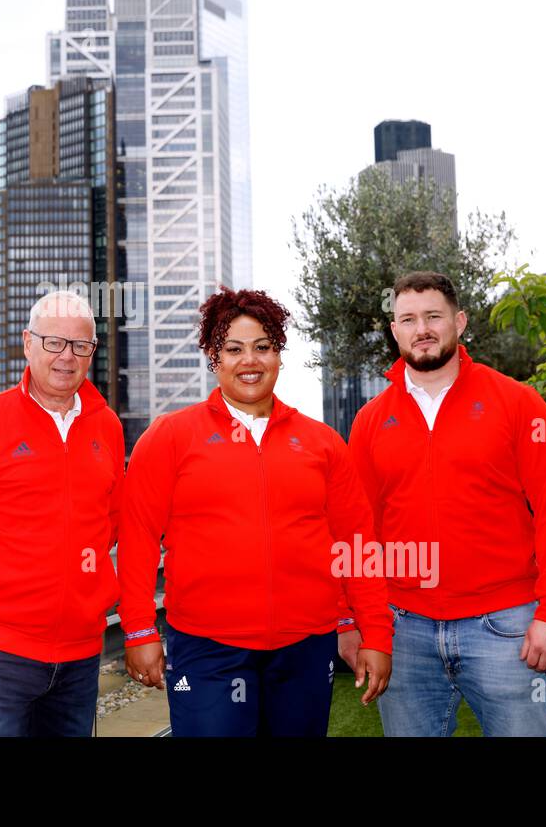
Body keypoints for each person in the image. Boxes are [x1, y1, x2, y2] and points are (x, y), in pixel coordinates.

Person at [117, 287, 391, 737]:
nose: (250, 361)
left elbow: (356, 544)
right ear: (213, 356)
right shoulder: (170, 436)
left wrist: (375, 633)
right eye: (234, 349)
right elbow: (138, 541)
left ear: (279, 354)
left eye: (262, 347)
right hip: (206, 650)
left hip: (304, 648)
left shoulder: (322, 443)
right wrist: (139, 632)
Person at [344, 271, 546, 736]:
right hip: (403, 629)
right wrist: (352, 619)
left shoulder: (519, 404)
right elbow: (357, 529)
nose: (422, 328)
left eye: (433, 316)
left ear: (459, 321)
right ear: (395, 331)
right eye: (408, 319)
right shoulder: (370, 421)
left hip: (507, 625)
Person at [0, 291, 124, 736]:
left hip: (82, 653)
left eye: (80, 346)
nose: (66, 357)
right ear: (28, 343)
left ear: (92, 353)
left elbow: (110, 521)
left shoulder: (107, 427)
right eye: (54, 343)